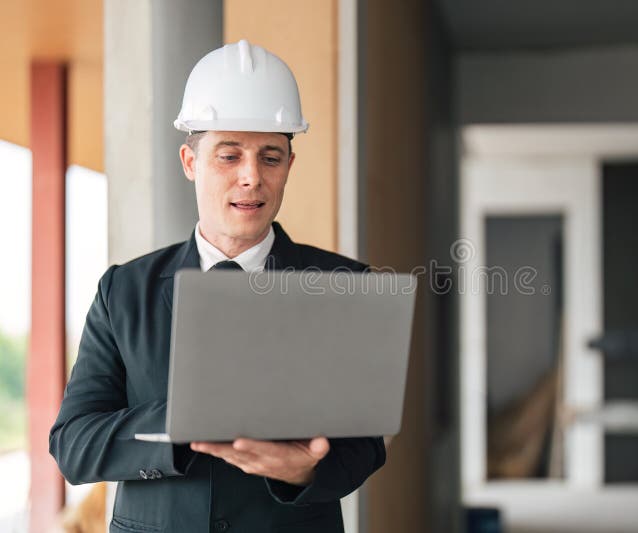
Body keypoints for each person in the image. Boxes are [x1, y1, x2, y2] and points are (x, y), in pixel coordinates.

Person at [49, 40, 386, 533]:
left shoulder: (343, 288)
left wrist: (305, 471)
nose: (251, 177)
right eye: (229, 156)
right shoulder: (123, 292)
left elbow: (365, 445)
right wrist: (182, 424)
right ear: (190, 162)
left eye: (270, 158)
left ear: (289, 167)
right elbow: (74, 445)